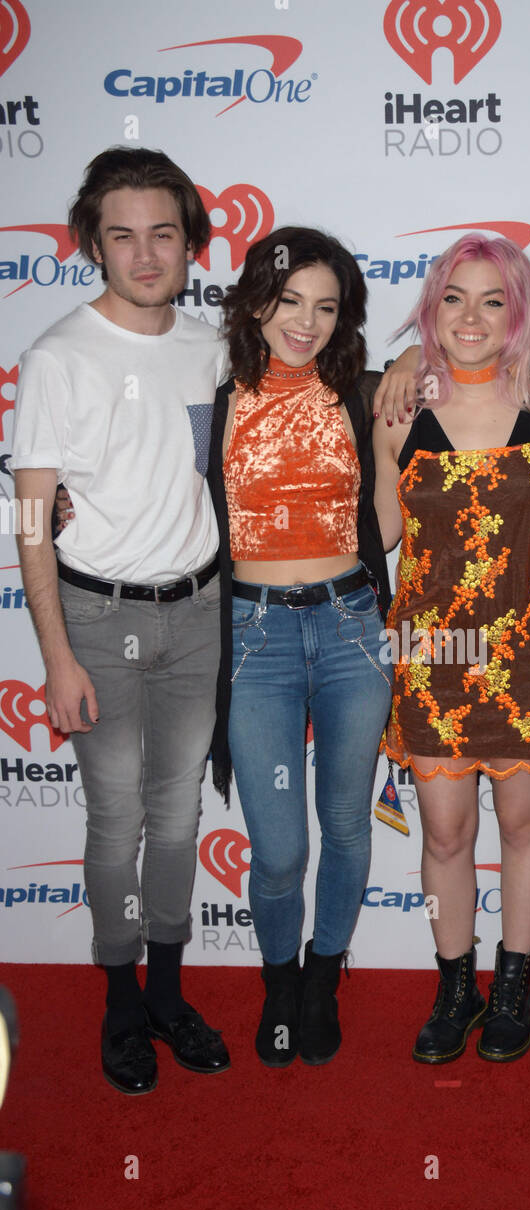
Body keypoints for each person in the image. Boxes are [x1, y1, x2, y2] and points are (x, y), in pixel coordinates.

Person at [11, 147, 230, 1094]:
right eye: (123, 235)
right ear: (90, 244)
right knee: (114, 822)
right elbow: (30, 518)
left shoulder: (214, 344)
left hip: (201, 610)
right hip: (97, 616)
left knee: (177, 818)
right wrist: (55, 657)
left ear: (190, 243)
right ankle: (117, 1000)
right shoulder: (57, 356)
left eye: (164, 235)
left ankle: (169, 994)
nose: (145, 255)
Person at [374, 233, 530, 1065]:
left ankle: (514, 984)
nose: (471, 316)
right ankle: (453, 986)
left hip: (529, 657)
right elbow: (379, 533)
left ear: (517, 313)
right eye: (453, 298)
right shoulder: (399, 410)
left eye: (491, 299)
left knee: (525, 826)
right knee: (442, 835)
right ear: (431, 309)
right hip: (432, 661)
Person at [206, 227, 392, 1068]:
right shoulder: (211, 391)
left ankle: (324, 975)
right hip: (256, 636)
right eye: (289, 302)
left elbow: (385, 518)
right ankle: (277, 980)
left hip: (351, 624)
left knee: (347, 826)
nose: (306, 323)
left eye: (326, 307)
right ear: (255, 300)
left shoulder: (362, 389)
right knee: (279, 849)